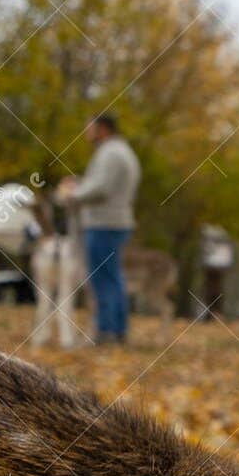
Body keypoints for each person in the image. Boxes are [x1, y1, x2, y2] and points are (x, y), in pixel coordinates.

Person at [69, 114, 141, 344]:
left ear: (103, 128)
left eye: (89, 127)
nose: (86, 132)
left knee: (102, 278)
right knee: (113, 276)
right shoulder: (122, 152)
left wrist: (73, 194)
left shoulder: (111, 153)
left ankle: (106, 331)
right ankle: (118, 330)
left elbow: (102, 188)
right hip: (115, 221)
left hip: (104, 222)